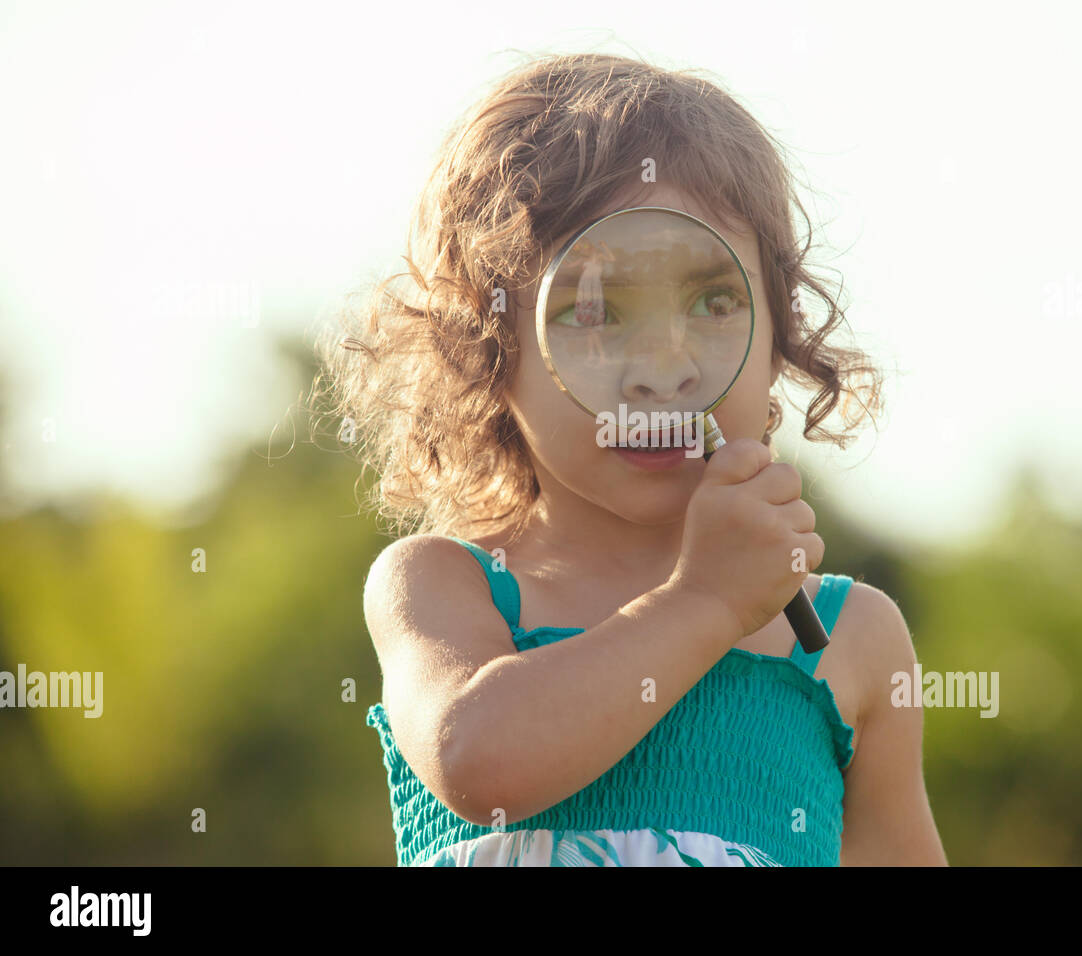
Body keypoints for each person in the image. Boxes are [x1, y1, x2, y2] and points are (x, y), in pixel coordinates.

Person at [314, 52, 947, 866]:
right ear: (488, 350)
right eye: (594, 310)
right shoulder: (443, 585)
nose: (662, 366)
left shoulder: (847, 637)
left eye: (713, 301)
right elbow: (481, 762)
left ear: (779, 332)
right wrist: (705, 602)